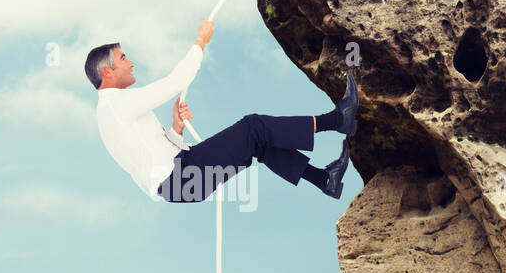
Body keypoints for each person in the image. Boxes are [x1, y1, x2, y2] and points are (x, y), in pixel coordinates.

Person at [86, 19, 358, 203]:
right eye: (123, 58)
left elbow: (150, 157)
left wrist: (176, 129)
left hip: (178, 180)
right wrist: (200, 41)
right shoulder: (116, 104)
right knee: (254, 127)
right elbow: (176, 81)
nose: (131, 63)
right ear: (107, 72)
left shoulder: (113, 111)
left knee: (258, 143)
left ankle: (325, 180)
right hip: (181, 177)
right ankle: (337, 120)